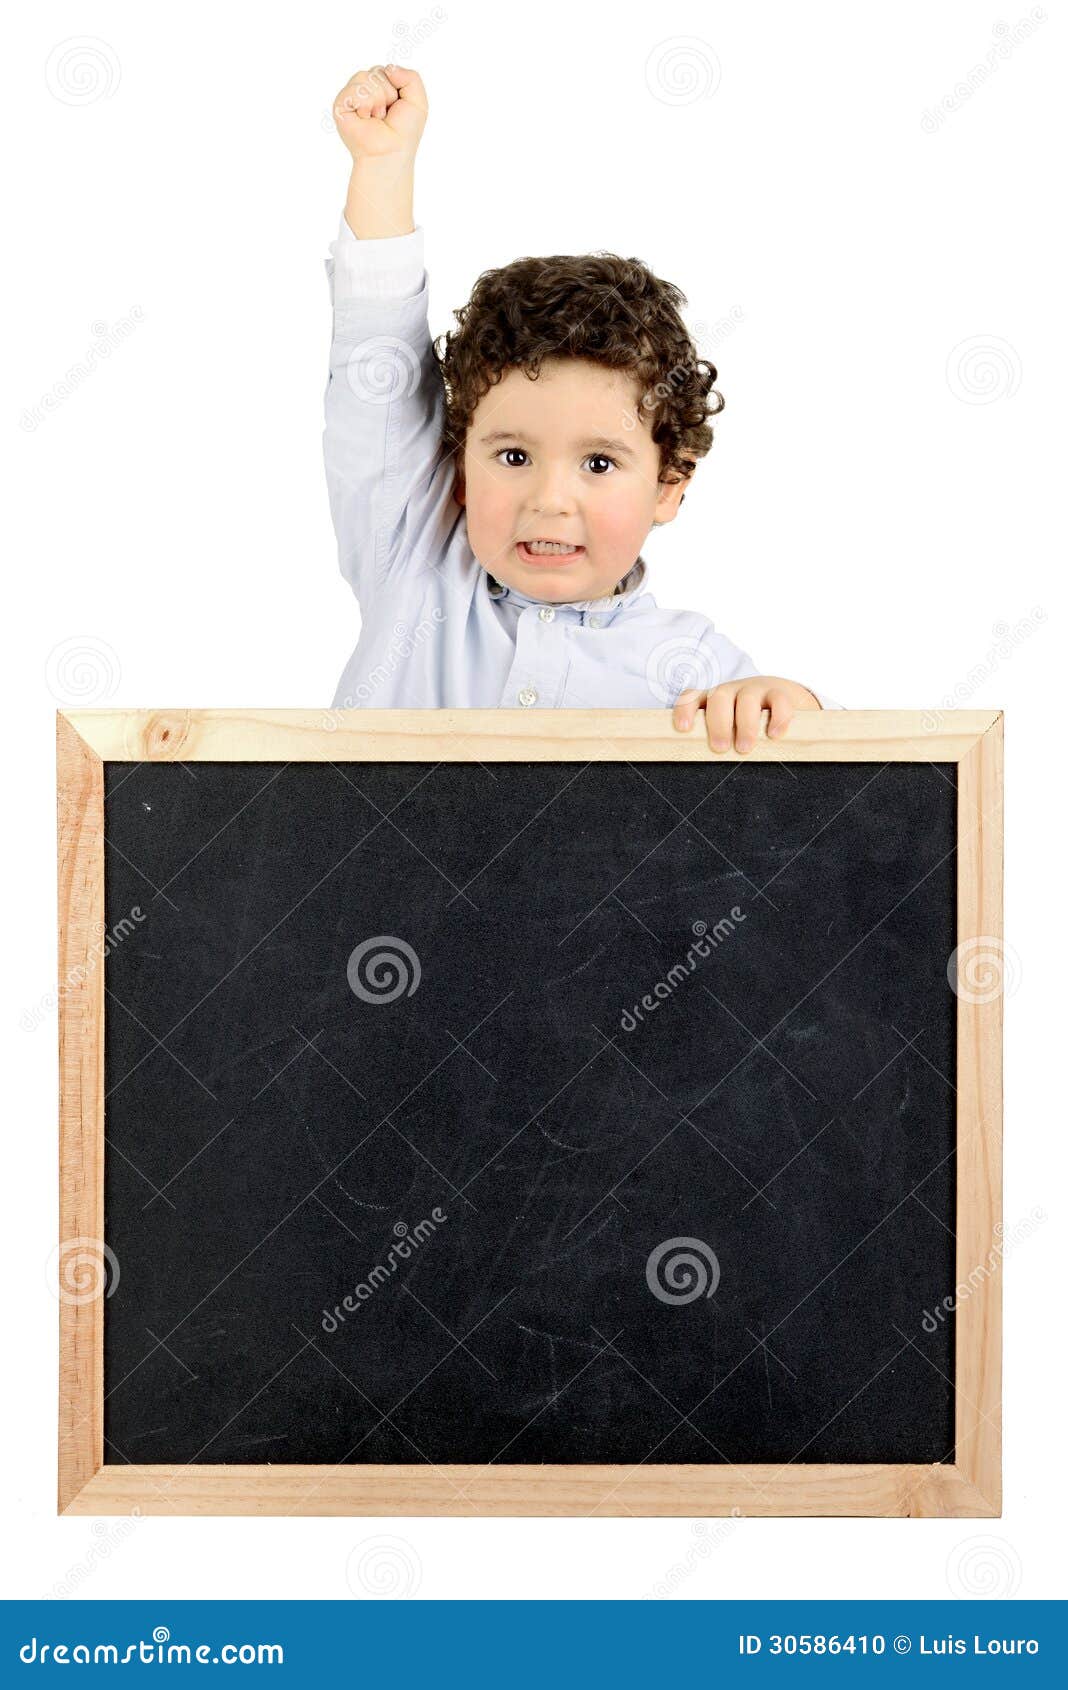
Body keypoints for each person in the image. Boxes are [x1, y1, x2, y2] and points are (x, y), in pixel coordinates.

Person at [323, 64, 838, 751]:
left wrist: (790, 705)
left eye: (598, 461)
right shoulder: (412, 557)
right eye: (513, 456)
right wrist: (384, 166)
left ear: (670, 484)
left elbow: (837, 802)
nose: (550, 499)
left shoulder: (693, 671)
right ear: (458, 465)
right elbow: (375, 368)